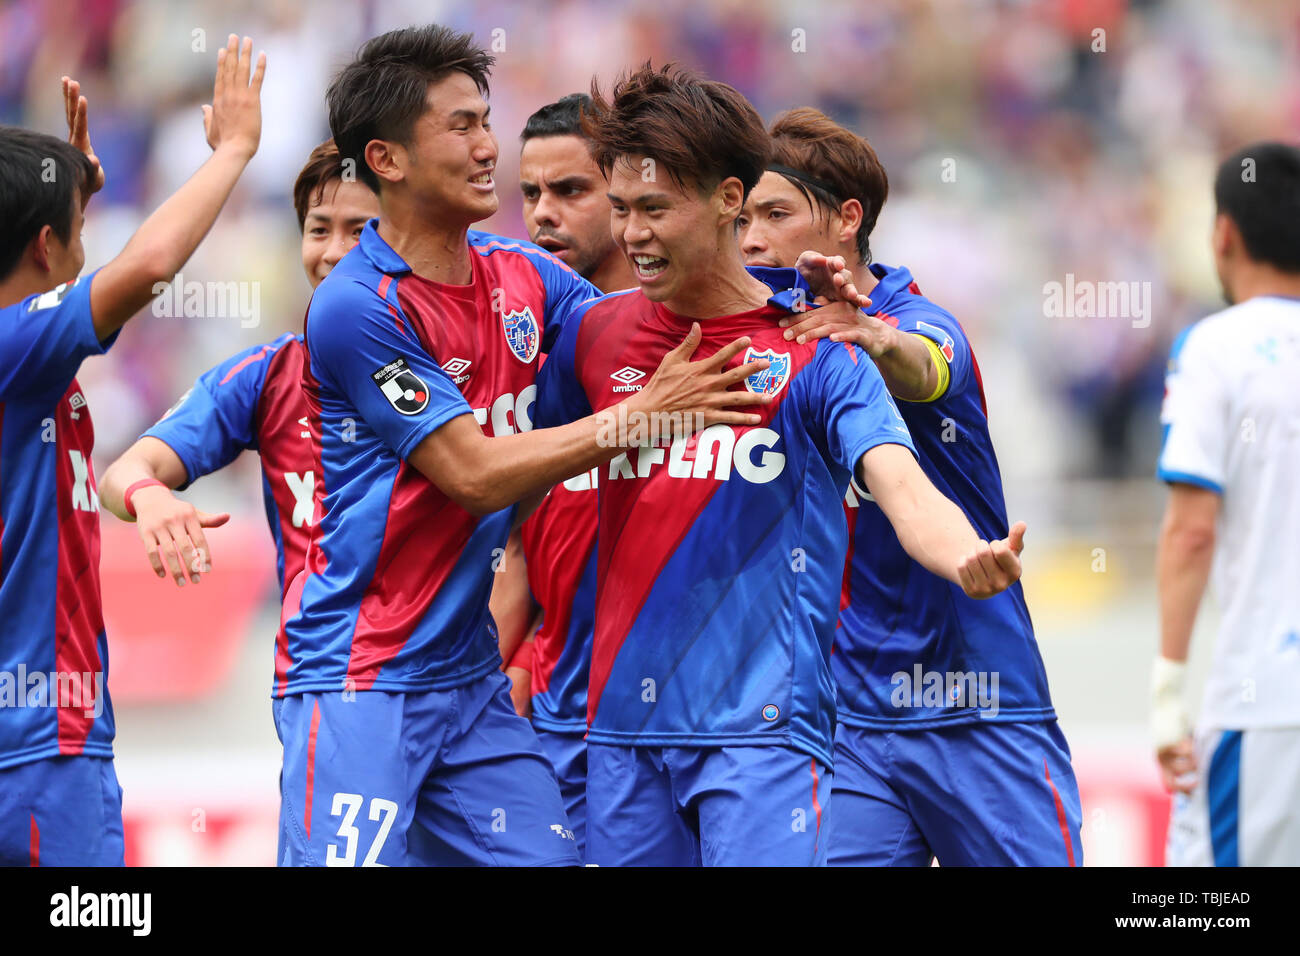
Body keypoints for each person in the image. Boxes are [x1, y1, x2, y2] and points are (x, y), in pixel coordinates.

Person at [276, 25, 766, 867]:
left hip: (466, 685)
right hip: (361, 677)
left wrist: (801, 307)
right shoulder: (358, 308)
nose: (485, 147)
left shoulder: (523, 275)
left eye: (483, 120)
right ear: (387, 160)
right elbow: (472, 474)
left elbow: (638, 333)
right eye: (460, 126)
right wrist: (644, 417)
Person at [536, 64, 1027, 867]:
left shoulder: (817, 353)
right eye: (620, 209)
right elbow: (520, 472)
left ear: (728, 199)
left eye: (654, 209)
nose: (630, 235)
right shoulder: (594, 339)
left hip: (761, 741)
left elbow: (902, 486)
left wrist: (965, 552)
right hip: (621, 732)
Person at [738, 107, 1082, 866]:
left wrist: (879, 338)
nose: (753, 237)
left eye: (775, 213)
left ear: (847, 220)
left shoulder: (925, 324)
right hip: (853, 722)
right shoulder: (775, 348)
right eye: (742, 218)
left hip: (977, 706)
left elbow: (923, 366)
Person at [0, 36, 265, 865]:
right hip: (40, 750)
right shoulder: (18, 346)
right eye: (79, 233)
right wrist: (233, 152)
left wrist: (67, 191)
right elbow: (148, 265)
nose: (91, 251)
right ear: (45, 247)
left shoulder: (28, 365)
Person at [495, 93, 638, 859]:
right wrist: (481, 691)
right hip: (555, 726)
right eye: (530, 194)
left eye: (570, 191)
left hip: (686, 728)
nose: (543, 214)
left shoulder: (699, 346)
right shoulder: (525, 361)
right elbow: (512, 547)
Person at [1155, 141, 1300, 866]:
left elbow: (1190, 533)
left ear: (1224, 234)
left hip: (1268, 701)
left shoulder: (1216, 347)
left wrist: (1166, 692)